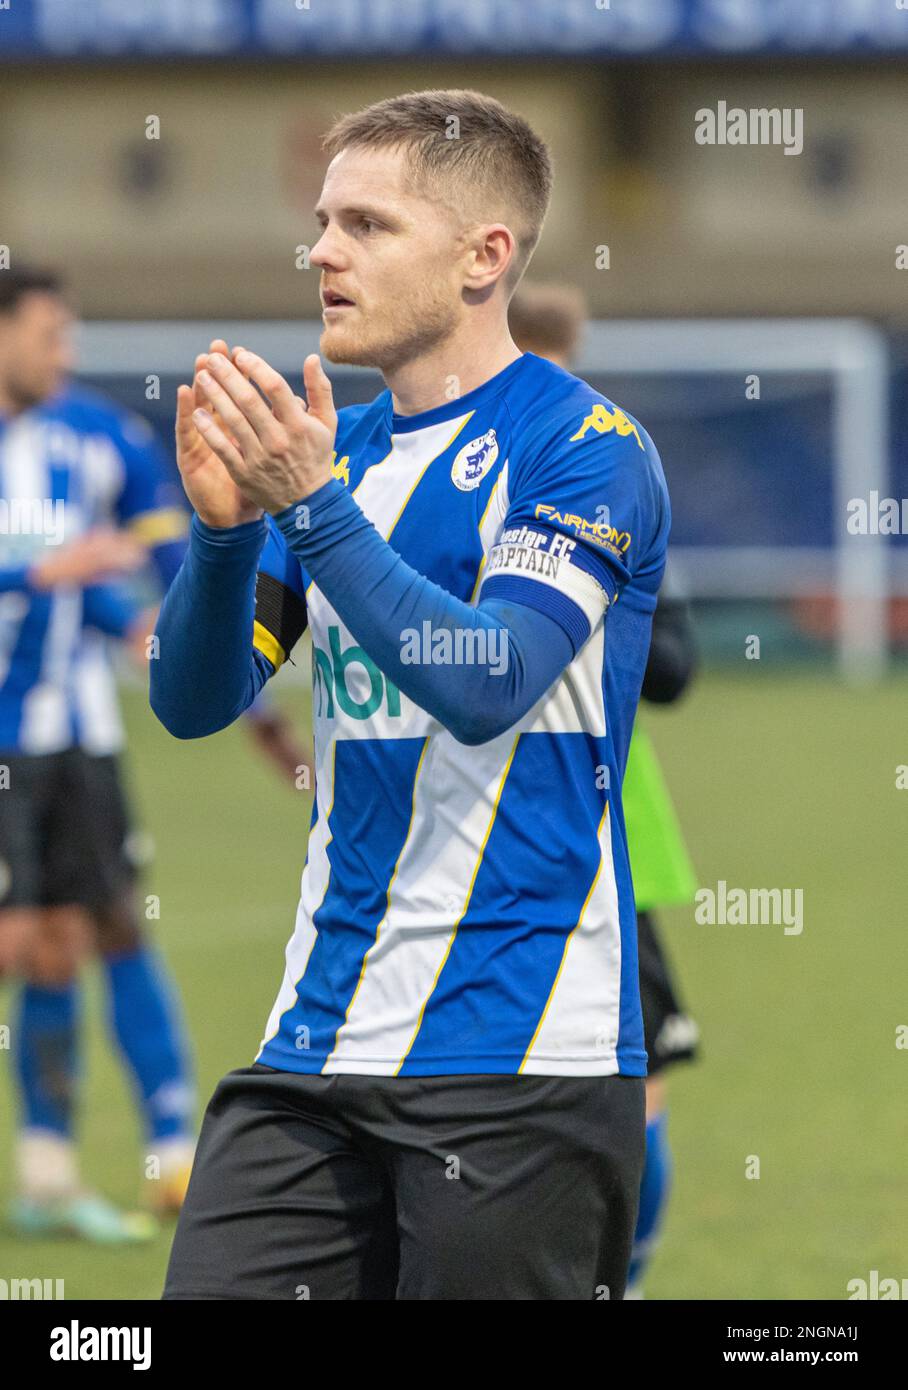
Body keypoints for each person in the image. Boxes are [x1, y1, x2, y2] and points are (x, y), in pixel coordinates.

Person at [152, 88, 670, 1300]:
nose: (323, 251)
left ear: (485, 257)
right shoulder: (343, 453)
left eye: (369, 226)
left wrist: (309, 504)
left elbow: (488, 678)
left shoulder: (583, 445)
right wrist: (227, 536)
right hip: (316, 1041)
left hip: (519, 1053)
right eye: (324, 222)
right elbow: (193, 698)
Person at [509, 280, 700, 1296]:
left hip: (605, 827)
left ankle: (615, 1281)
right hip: (478, 829)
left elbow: (671, 665)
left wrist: (592, 603)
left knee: (635, 1081)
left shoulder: (606, 480)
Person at [0, 266, 196, 1240]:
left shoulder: (104, 437)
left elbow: (148, 566)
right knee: (19, 945)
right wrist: (36, 569)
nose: (64, 356)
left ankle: (134, 1160)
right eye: (48, 336)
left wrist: (144, 624)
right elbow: (54, 573)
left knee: (90, 930)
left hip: (79, 735)